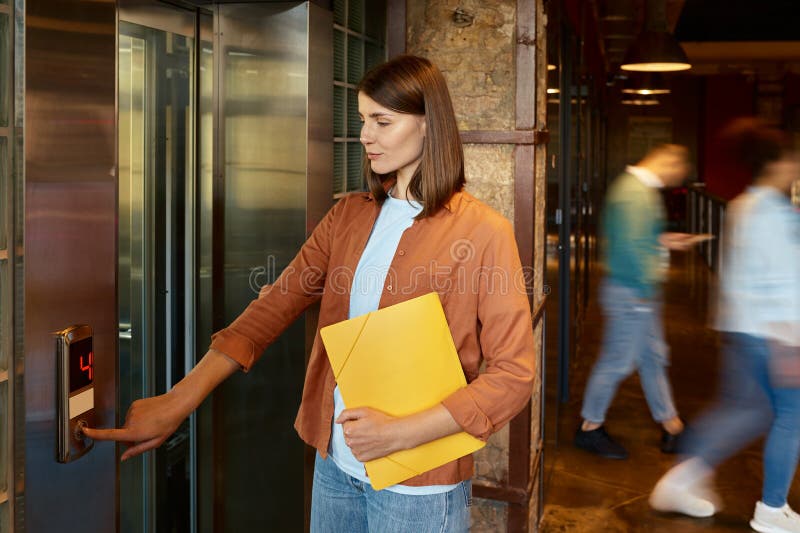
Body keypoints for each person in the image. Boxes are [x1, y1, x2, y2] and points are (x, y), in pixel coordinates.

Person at [84, 55, 536, 533]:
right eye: (363, 119)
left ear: (429, 126)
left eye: (383, 121)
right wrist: (179, 400)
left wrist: (398, 434)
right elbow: (272, 307)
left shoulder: (484, 232)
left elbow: (513, 374)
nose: (365, 136)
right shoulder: (349, 216)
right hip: (335, 466)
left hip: (418, 487)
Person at [649, 118, 800, 533]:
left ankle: (680, 479)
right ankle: (772, 509)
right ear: (779, 163)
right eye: (793, 160)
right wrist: (791, 343)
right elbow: (783, 282)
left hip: (742, 329)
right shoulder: (773, 213)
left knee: (745, 410)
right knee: (790, 416)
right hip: (775, 333)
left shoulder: (743, 205)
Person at [574, 144, 693, 460]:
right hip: (633, 291)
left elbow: (636, 239)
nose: (674, 179)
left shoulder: (637, 190)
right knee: (617, 361)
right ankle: (590, 427)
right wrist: (644, 286)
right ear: (666, 163)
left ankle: (673, 426)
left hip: (637, 290)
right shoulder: (635, 193)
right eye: (676, 173)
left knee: (653, 357)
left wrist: (663, 240)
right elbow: (628, 247)